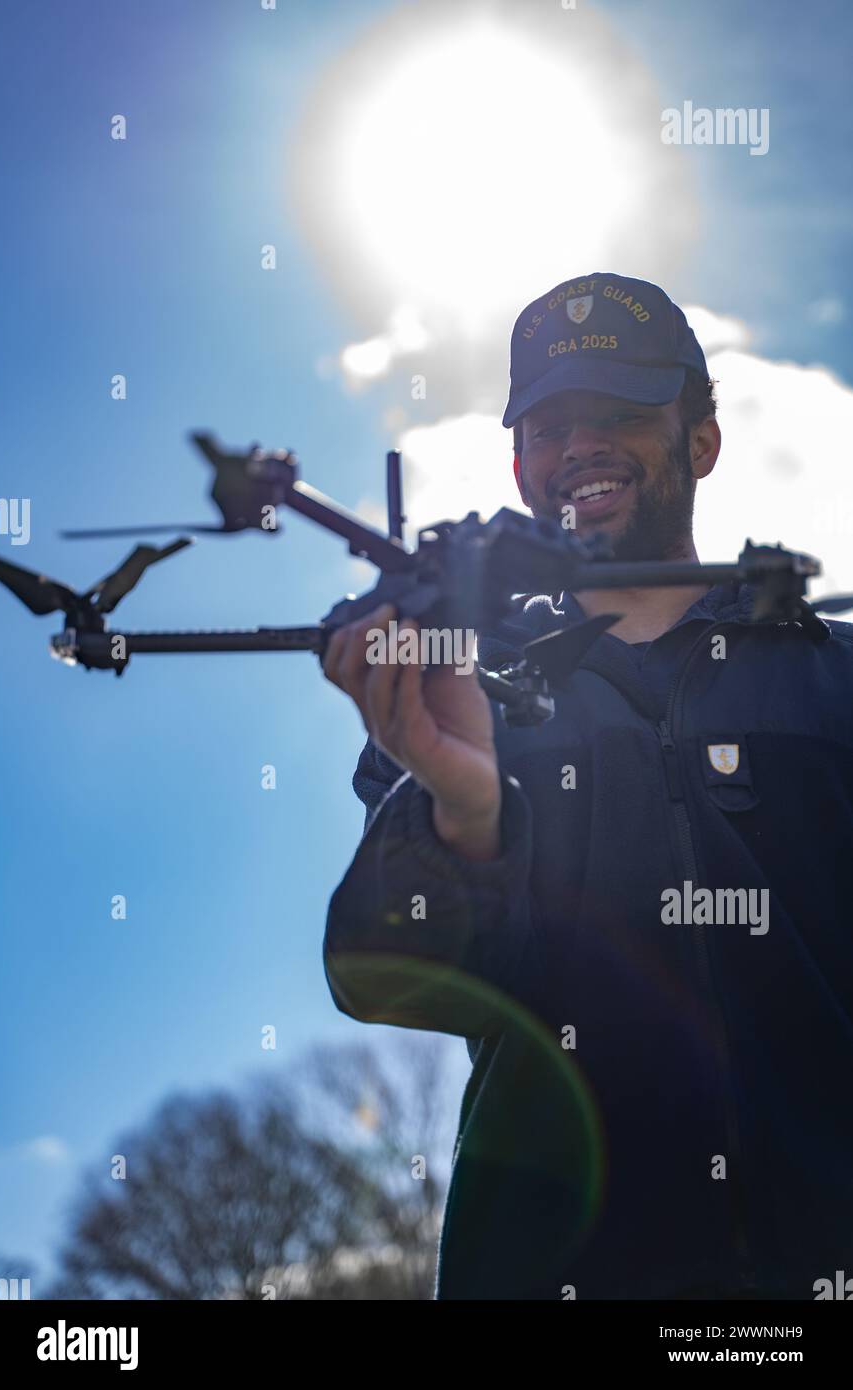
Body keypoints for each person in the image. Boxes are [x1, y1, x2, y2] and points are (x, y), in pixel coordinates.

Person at [321, 272, 853, 1300]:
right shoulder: (449, 692)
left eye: (618, 414)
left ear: (698, 439)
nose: (579, 448)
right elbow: (387, 976)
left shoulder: (834, 677)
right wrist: (463, 814)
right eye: (550, 425)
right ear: (519, 466)